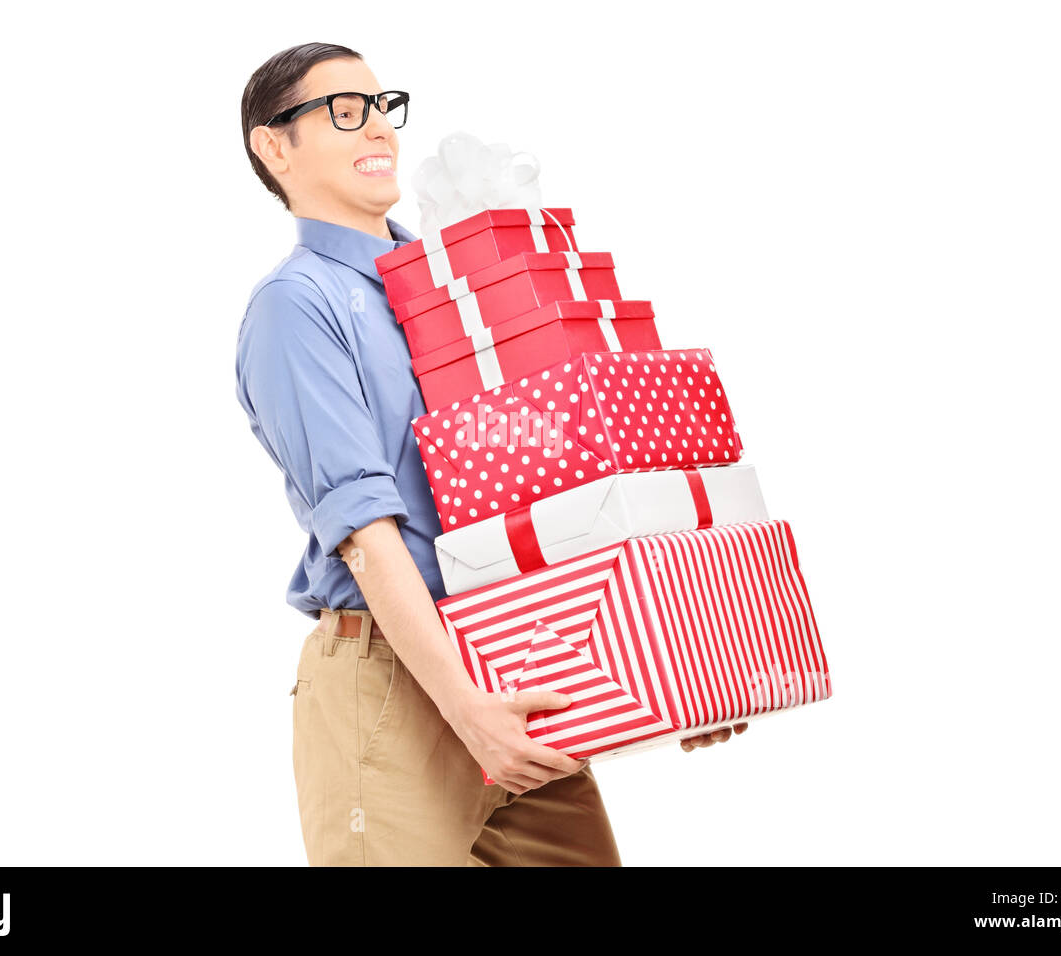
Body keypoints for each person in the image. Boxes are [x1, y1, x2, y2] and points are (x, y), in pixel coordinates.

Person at [235, 42, 745, 867]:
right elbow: (367, 529)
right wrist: (465, 710)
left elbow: (551, 489)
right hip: (396, 680)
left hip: (509, 652)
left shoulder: (452, 285)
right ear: (275, 144)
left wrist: (673, 671)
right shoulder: (297, 307)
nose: (377, 129)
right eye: (342, 109)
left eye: (380, 105)